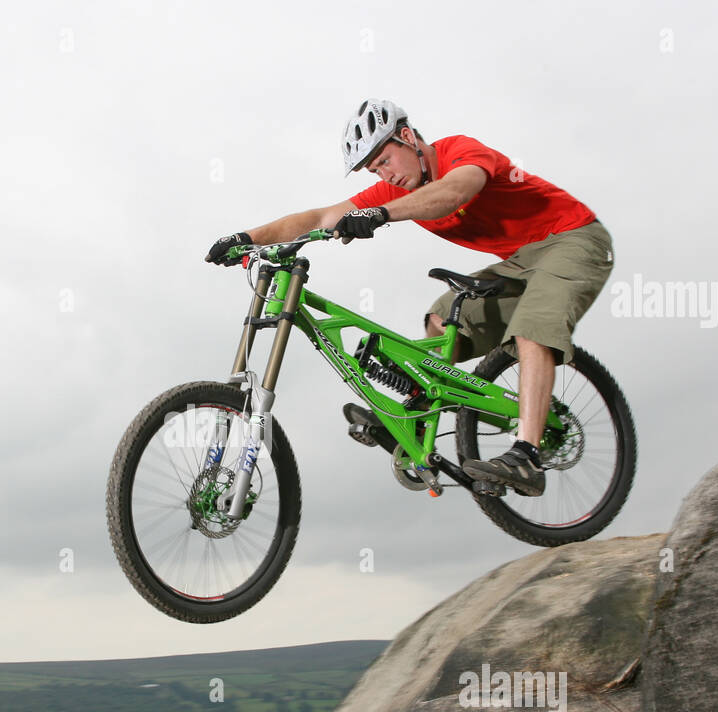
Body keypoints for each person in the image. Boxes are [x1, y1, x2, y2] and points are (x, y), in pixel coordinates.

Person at [204, 98, 614, 497]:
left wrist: (381, 214)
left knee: (532, 328)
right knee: (440, 321)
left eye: (384, 161)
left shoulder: (460, 152)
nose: (383, 176)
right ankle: (420, 417)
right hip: (518, 261)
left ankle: (526, 455)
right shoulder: (392, 188)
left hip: (573, 238)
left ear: (407, 137)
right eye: (372, 169)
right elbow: (318, 218)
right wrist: (247, 238)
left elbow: (455, 191)